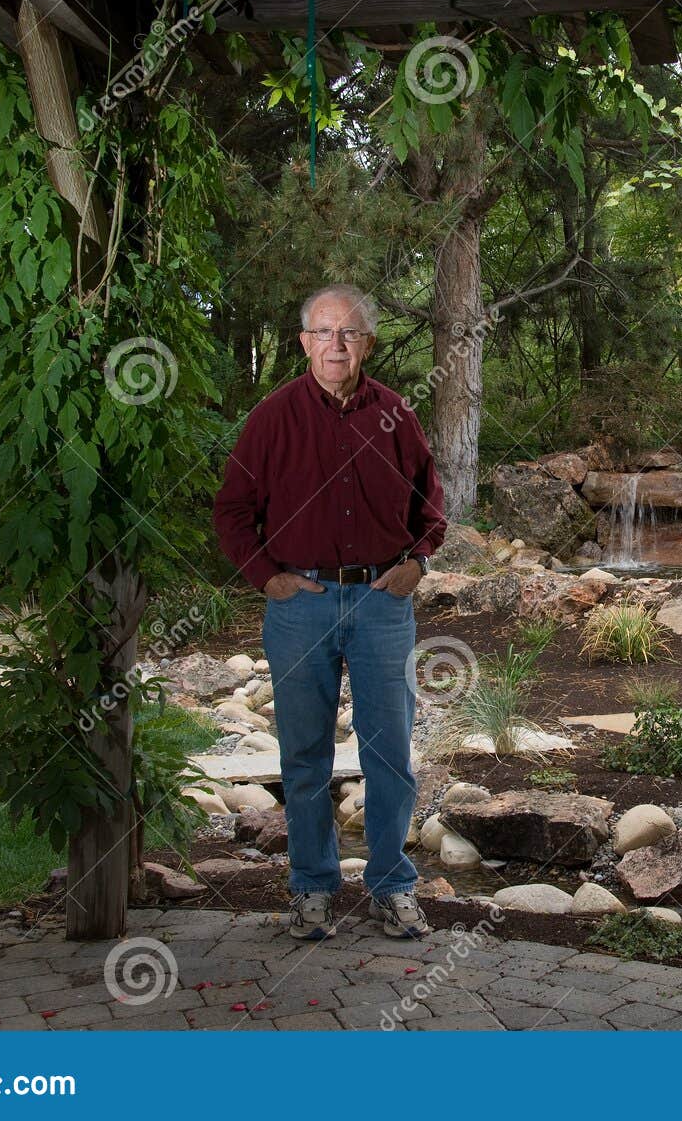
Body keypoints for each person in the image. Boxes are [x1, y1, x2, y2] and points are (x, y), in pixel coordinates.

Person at [213, 284, 445, 940]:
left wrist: (416, 564)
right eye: (322, 332)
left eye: (349, 333)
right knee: (304, 757)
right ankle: (311, 888)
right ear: (304, 341)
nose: (335, 345)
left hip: (381, 604)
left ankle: (391, 887)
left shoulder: (398, 414)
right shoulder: (272, 418)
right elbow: (231, 510)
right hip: (301, 608)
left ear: (368, 342)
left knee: (390, 755)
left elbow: (431, 506)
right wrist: (266, 577)